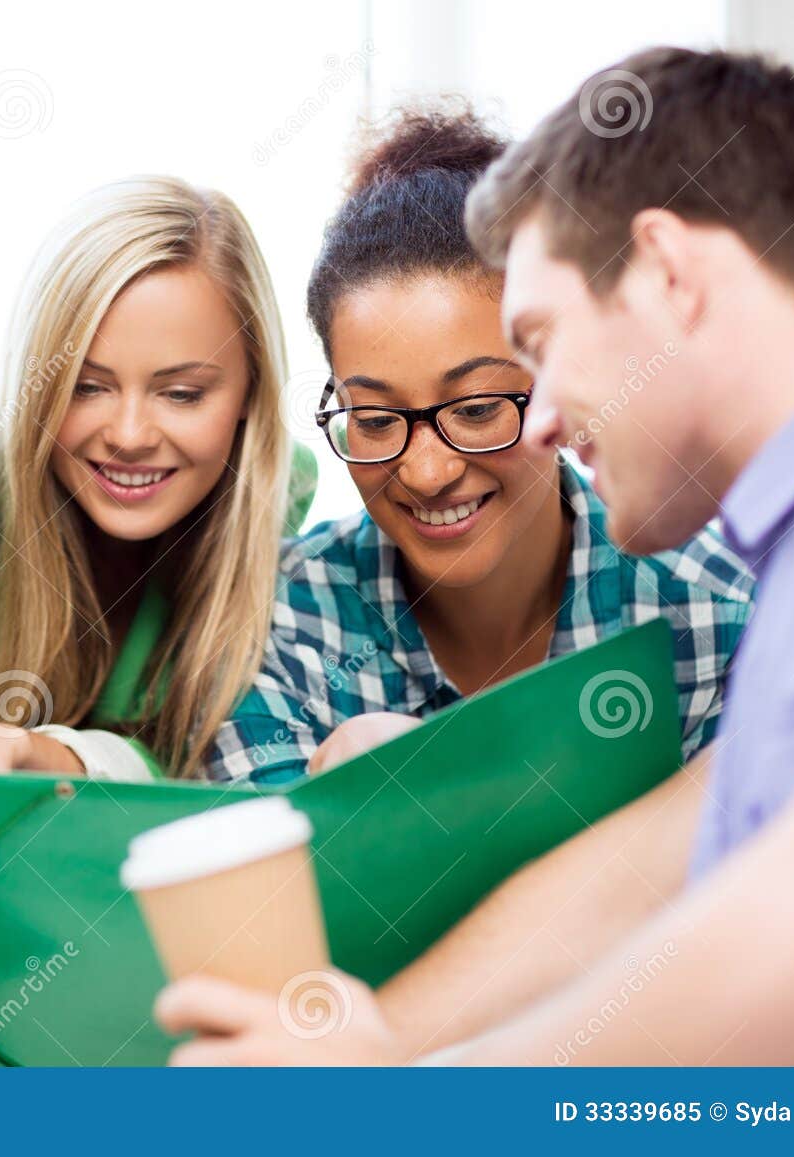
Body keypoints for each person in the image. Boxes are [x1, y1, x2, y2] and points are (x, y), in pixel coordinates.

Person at [158, 46, 794, 1067]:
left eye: (539, 343)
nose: (539, 420)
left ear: (671, 275)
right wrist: (385, 1044)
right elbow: (635, 871)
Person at [205, 104, 751, 786]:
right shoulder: (274, 623)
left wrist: (445, 791)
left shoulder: (713, 613)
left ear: (554, 383)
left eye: (479, 408)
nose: (427, 472)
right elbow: (275, 889)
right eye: (374, 418)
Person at [0, 175, 316, 822]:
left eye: (182, 394)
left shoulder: (271, 493)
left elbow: (206, 770)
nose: (129, 436)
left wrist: (48, 756)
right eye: (87, 386)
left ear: (251, 394)